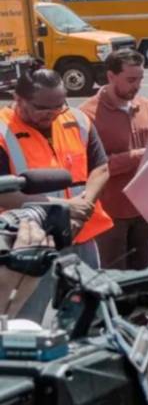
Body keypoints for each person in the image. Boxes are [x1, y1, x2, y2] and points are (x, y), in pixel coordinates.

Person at [0, 69, 110, 267]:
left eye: (59, 106)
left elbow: (100, 168)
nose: (51, 114)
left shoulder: (78, 120)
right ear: (18, 98)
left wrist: (82, 208)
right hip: (28, 244)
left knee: (90, 295)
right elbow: (3, 193)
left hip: (80, 235)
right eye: (42, 108)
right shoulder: (2, 131)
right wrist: (66, 207)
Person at [79, 49, 148, 270]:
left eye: (140, 79)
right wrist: (137, 156)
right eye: (131, 80)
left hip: (144, 210)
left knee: (143, 277)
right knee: (113, 278)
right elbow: (89, 168)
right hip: (109, 213)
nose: (136, 86)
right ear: (111, 76)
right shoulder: (87, 115)